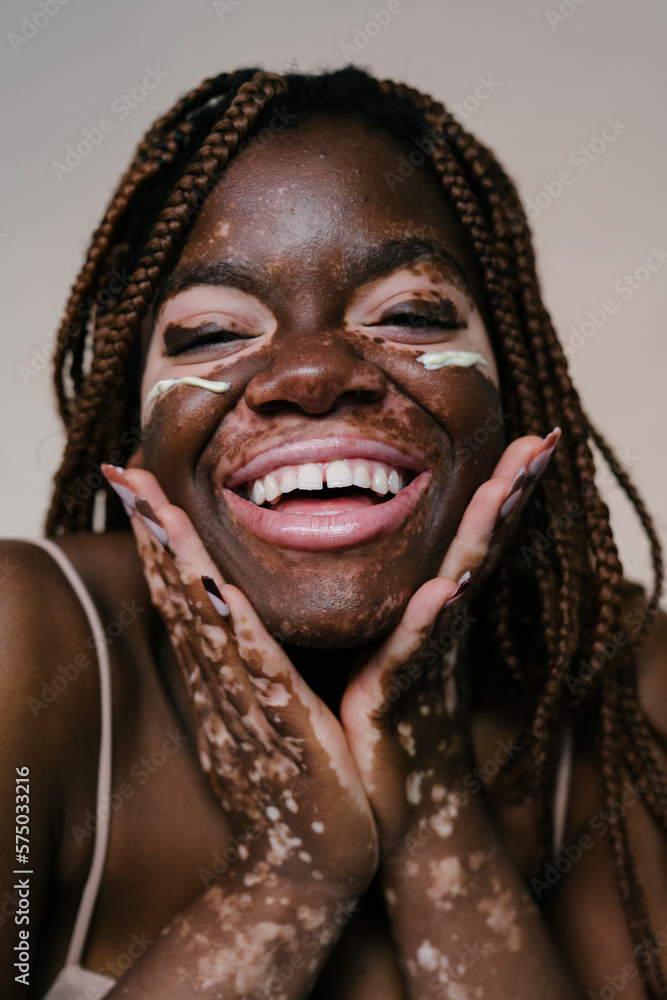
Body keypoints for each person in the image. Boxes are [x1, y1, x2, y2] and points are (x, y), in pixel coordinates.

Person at [0, 65, 665, 1000]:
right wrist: (291, 869)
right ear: (132, 431)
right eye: (209, 335)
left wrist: (431, 802)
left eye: (407, 314)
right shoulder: (22, 645)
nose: (310, 374)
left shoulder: (625, 688)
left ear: (513, 383)